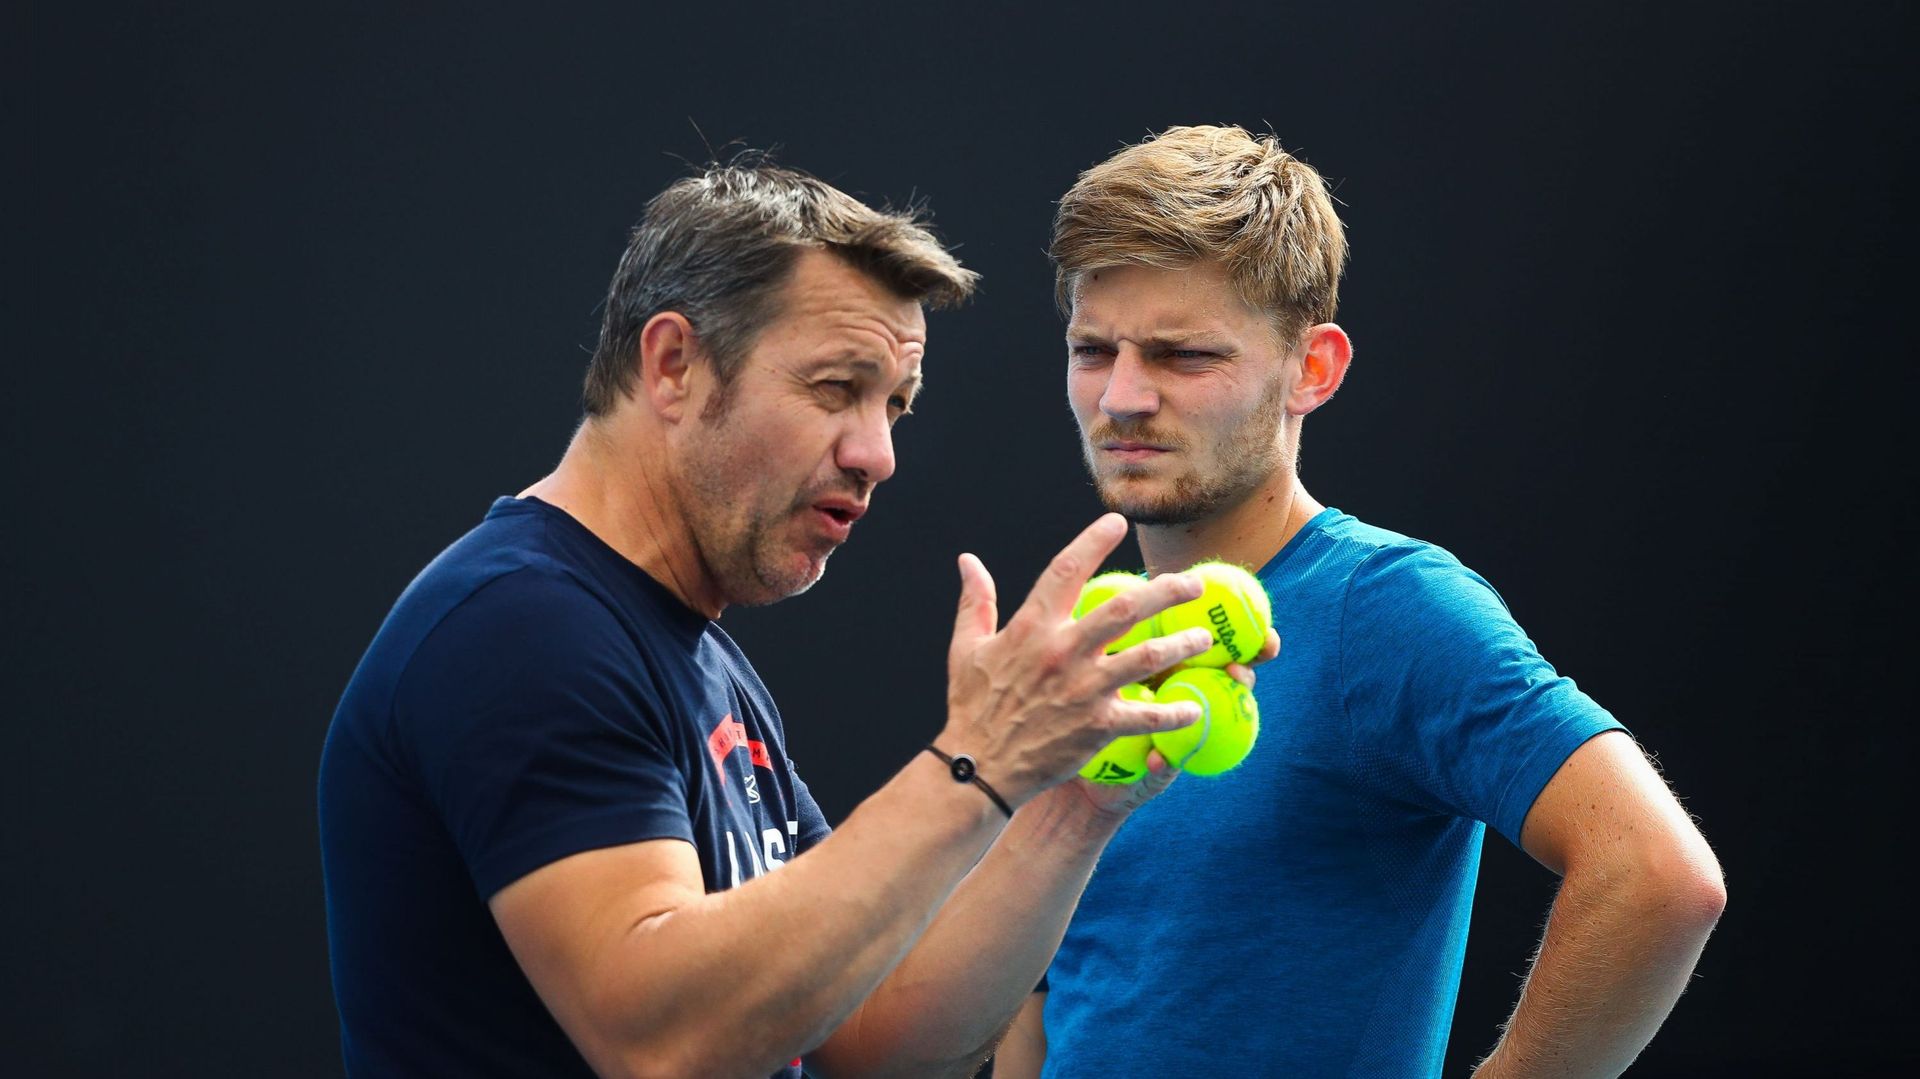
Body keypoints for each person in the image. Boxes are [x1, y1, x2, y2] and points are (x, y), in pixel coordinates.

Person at [317, 160, 1267, 1078]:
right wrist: (982, 756)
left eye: (895, 403)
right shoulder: (519, 628)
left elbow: (868, 1041)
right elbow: (667, 1043)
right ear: (674, 364)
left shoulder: (697, 660)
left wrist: (1070, 802)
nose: (879, 453)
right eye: (834, 389)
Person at [994, 126, 1728, 1077]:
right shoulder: (1095, 627)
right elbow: (1052, 994)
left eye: (1182, 356)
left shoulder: (1386, 605)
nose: (1123, 396)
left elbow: (1661, 877)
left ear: (1314, 368)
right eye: (1094, 349)